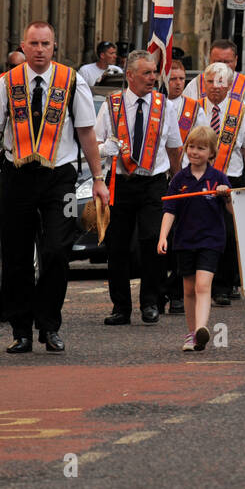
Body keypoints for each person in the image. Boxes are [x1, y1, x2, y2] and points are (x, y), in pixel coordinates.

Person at [0, 21, 111, 354]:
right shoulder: (8, 83)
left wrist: (98, 178)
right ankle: (20, 330)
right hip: (17, 175)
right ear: (23, 46)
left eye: (45, 44)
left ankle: (49, 326)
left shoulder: (72, 81)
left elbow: (87, 133)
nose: (39, 50)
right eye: (33, 43)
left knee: (56, 251)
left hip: (58, 178)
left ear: (54, 46)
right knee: (16, 255)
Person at [95, 50, 183, 326]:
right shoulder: (112, 104)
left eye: (154, 71)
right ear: (130, 75)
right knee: (118, 245)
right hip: (119, 182)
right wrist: (103, 150)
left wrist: (178, 184)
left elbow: (174, 148)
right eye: (147, 73)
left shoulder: (164, 105)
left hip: (154, 183)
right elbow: (94, 144)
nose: (153, 77)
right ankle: (121, 307)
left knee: (153, 241)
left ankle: (151, 302)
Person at [158, 125, 232, 352]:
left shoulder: (219, 177)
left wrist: (226, 196)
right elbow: (169, 209)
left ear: (211, 153)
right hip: (184, 241)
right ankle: (192, 334)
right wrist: (163, 237)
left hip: (211, 241)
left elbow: (232, 211)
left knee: (202, 285)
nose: (194, 152)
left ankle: (202, 328)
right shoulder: (179, 178)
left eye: (201, 148)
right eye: (191, 146)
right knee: (188, 289)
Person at [200, 61, 245, 306]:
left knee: (225, 233)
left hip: (230, 177)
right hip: (199, 178)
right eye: (210, 81)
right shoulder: (192, 110)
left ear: (229, 86)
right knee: (200, 232)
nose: (215, 87)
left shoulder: (241, 110)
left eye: (220, 82)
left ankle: (223, 286)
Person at [182, 39, 245, 187]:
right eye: (216, 61)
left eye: (227, 62)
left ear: (236, 60)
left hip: (232, 173)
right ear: (208, 60)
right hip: (196, 174)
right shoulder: (194, 86)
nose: (221, 67)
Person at [161, 63, 204, 315]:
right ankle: (157, 292)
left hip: (185, 179)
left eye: (180, 78)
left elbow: (204, 138)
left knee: (181, 238)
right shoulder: (157, 103)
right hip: (159, 177)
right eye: (173, 78)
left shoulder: (193, 108)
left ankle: (177, 293)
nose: (177, 82)